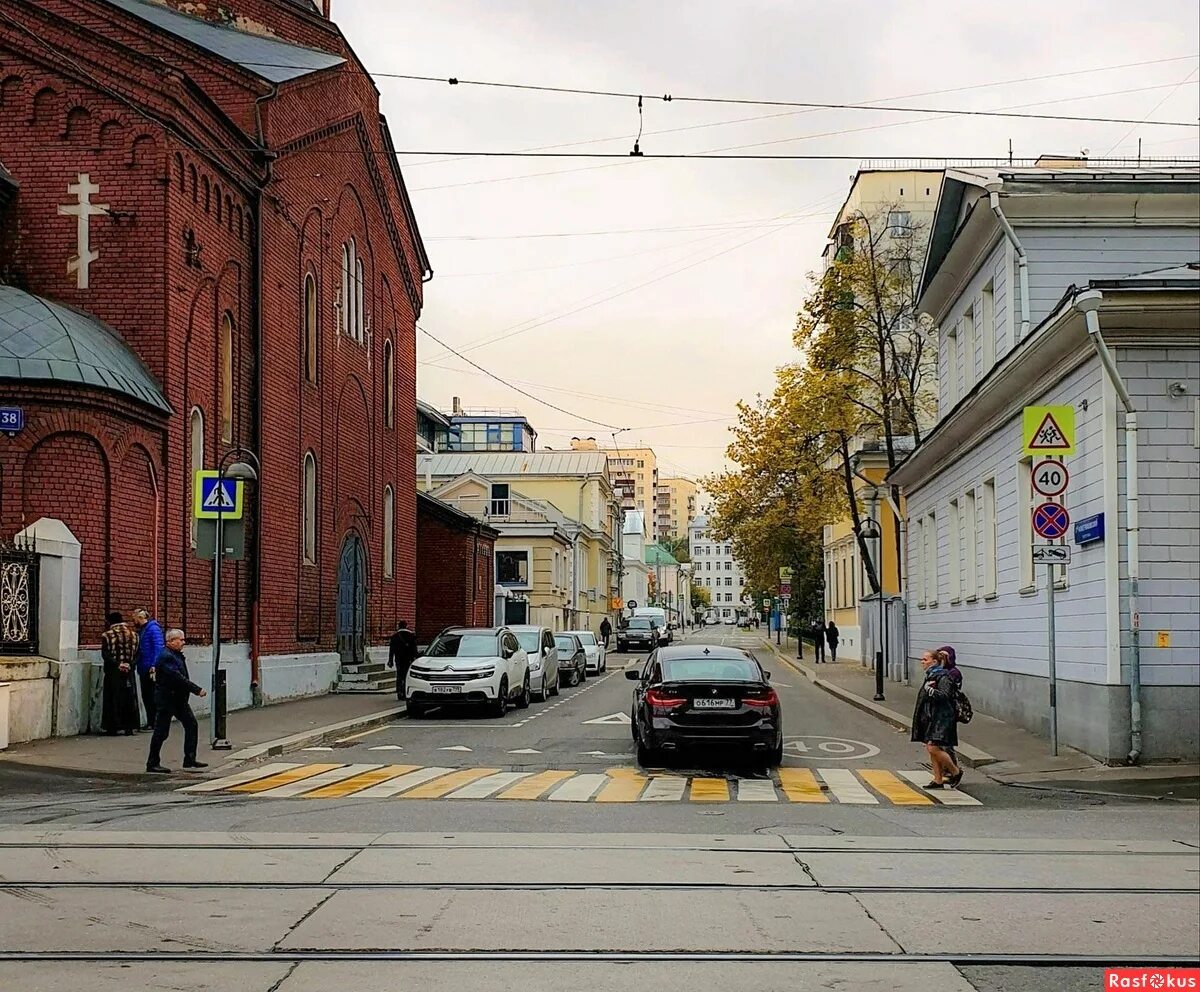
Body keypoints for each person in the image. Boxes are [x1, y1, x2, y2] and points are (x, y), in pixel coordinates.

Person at [146, 628, 207, 774]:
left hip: (178, 700)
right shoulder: (166, 657)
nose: (183, 642)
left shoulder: (175, 655)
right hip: (167, 699)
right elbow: (176, 677)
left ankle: (190, 759)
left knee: (191, 724)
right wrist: (196, 689)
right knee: (161, 731)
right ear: (171, 641)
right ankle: (152, 762)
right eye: (181, 640)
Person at [911, 648, 963, 789]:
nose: (922, 662)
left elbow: (945, 695)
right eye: (922, 659)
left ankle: (955, 771)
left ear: (934, 662)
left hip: (942, 718)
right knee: (932, 748)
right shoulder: (931, 675)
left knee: (933, 748)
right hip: (932, 718)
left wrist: (931, 691)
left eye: (925, 659)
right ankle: (938, 779)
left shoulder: (943, 676)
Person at [100, 611, 140, 735]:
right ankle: (129, 727)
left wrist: (118, 664)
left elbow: (105, 655)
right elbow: (138, 654)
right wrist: (129, 664)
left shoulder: (107, 635)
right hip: (129, 671)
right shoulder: (134, 635)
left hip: (113, 672)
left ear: (110, 622)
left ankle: (113, 727)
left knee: (112, 699)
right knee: (129, 698)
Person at [132, 608, 165, 731]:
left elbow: (158, 647)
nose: (133, 621)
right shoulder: (144, 629)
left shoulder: (152, 629)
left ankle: (154, 722)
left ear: (140, 618)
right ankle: (151, 721)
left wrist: (154, 665)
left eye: (134, 619)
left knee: (151, 695)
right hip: (144, 666)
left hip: (150, 668)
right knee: (147, 695)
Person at [387, 620, 418, 701]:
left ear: (399, 626)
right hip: (409, 659)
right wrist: (415, 658)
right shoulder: (411, 635)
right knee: (407, 676)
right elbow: (414, 649)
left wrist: (390, 660)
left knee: (399, 675)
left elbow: (391, 650)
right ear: (406, 626)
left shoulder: (394, 636)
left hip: (399, 659)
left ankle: (399, 692)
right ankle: (405, 692)